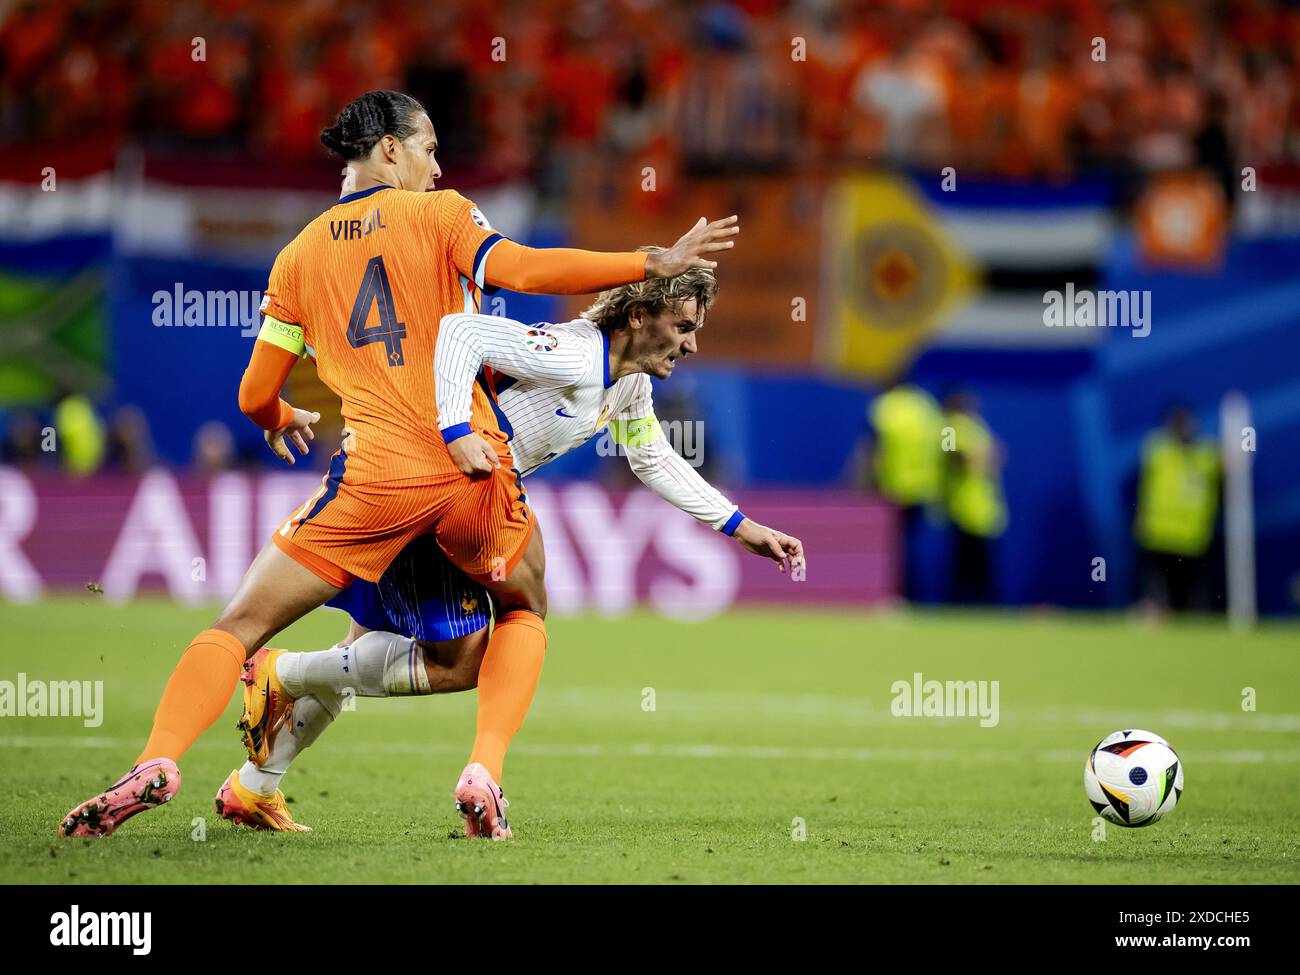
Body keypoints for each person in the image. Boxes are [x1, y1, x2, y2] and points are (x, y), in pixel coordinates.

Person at [60, 89, 740, 838]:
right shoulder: (442, 214)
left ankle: (159, 757)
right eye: (429, 147)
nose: (438, 165)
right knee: (517, 613)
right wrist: (650, 259)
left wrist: (278, 417)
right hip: (468, 467)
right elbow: (523, 268)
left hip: (374, 474)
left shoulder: (296, 258)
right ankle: (440, 771)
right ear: (390, 147)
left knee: (239, 623)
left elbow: (254, 392)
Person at [218, 259, 805, 837]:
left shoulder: (626, 384)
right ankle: (286, 673)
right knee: (467, 657)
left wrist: (739, 525)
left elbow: (651, 455)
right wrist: (455, 430)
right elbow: (464, 331)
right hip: (438, 493)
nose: (693, 345)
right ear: (639, 314)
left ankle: (255, 784)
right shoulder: (572, 353)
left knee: (365, 647)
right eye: (683, 326)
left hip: (429, 491)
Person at [1135, 406, 1221, 614]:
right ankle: (1155, 614)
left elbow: (1231, 461)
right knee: (1159, 597)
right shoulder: (1160, 451)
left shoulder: (1206, 456)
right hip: (1159, 535)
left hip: (1191, 539)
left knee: (1191, 601)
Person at [866, 380, 943, 602]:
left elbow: (875, 447)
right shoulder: (925, 404)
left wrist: (871, 482)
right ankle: (913, 595)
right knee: (912, 546)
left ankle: (893, 596)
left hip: (894, 488)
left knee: (892, 547)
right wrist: (950, 454)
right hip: (925, 487)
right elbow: (946, 433)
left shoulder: (885, 406)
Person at [941, 391, 1006, 604]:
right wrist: (978, 459)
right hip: (962, 505)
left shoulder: (974, 426)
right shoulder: (949, 425)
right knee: (966, 564)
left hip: (979, 506)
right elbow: (950, 454)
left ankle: (980, 604)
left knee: (978, 564)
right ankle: (964, 604)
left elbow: (998, 453)